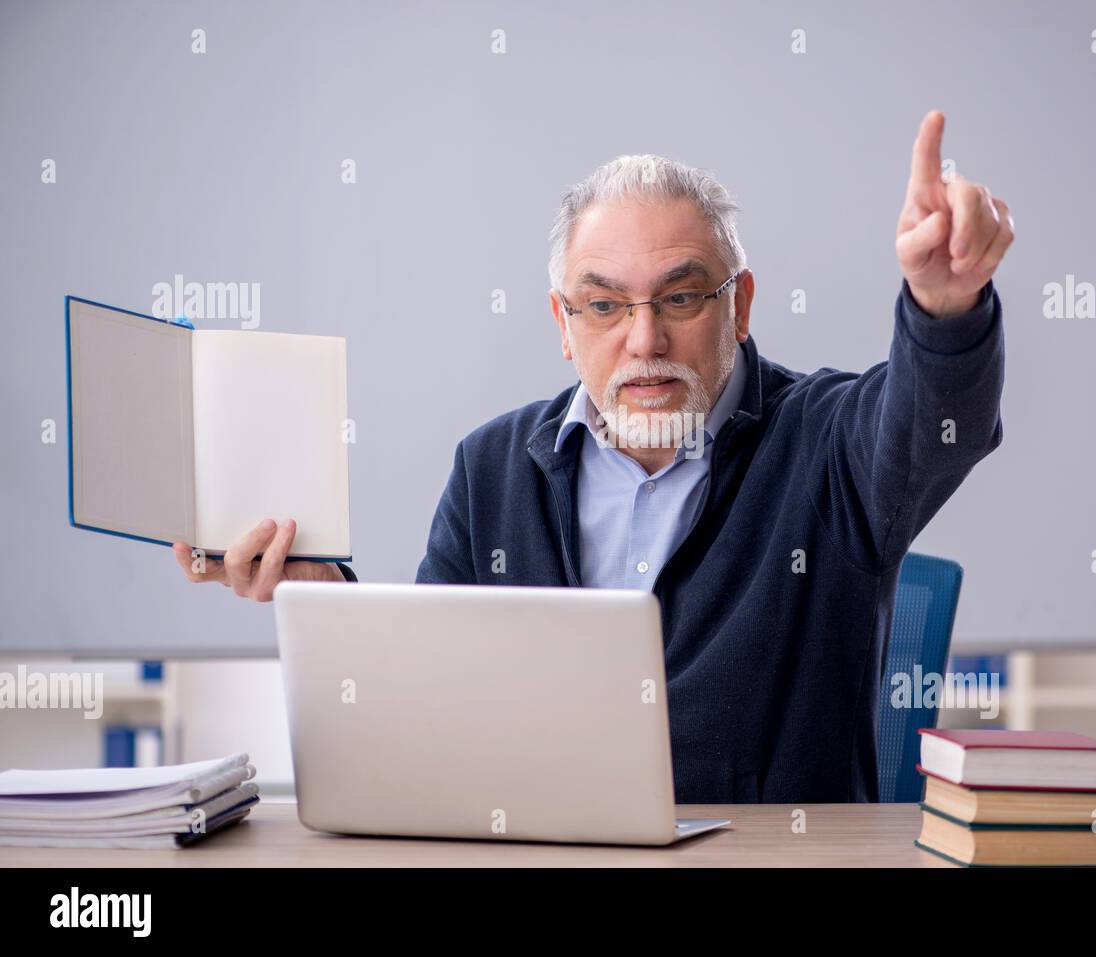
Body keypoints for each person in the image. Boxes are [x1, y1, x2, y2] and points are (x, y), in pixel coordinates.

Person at [174, 110, 1012, 802]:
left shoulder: (825, 441)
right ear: (562, 325)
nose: (644, 338)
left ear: (741, 304)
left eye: (681, 296)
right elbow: (425, 711)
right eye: (604, 304)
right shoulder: (492, 468)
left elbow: (933, 422)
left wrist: (945, 307)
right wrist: (323, 600)